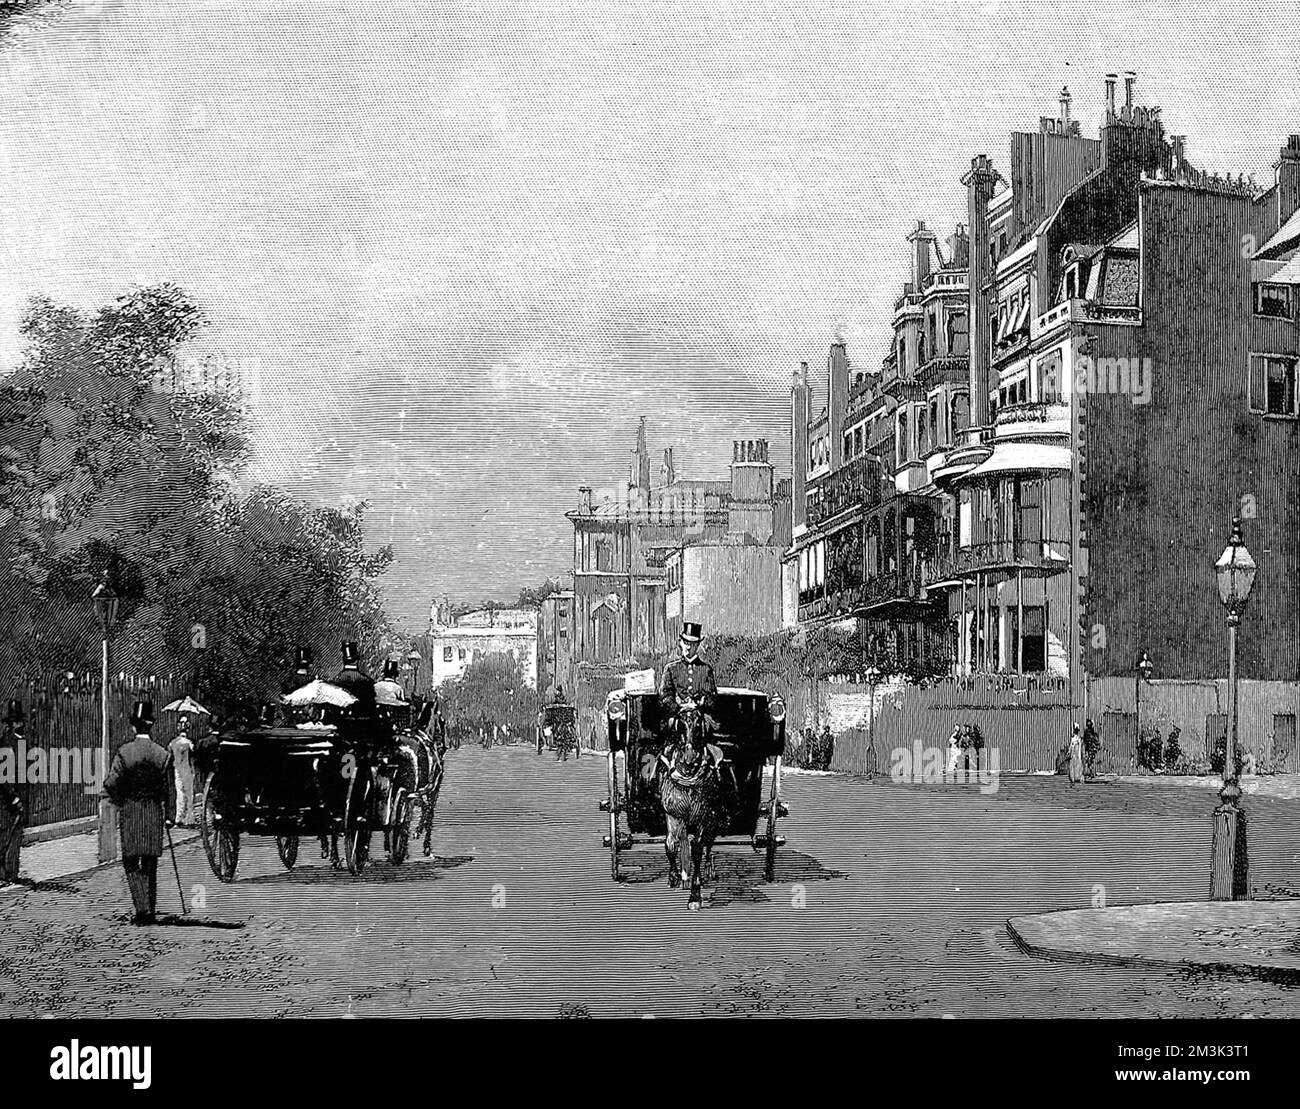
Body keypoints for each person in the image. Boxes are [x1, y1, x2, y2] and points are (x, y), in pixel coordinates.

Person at [102, 701, 175, 925]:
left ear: (134, 727)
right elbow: (169, 789)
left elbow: (113, 784)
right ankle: (149, 909)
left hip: (131, 813)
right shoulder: (162, 755)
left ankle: (142, 909)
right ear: (151, 726)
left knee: (131, 862)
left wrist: (117, 799)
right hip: (153, 812)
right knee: (150, 863)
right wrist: (170, 815)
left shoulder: (125, 753)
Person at [647, 621, 718, 788]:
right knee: (662, 739)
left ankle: (714, 769)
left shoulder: (706, 669)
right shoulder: (671, 669)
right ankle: (654, 776)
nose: (689, 647)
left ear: (698, 645)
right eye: (686, 643)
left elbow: (712, 697)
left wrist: (699, 703)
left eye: (693, 644)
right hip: (677, 715)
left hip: (699, 715)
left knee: (706, 730)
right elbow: (664, 697)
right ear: (680, 643)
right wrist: (678, 707)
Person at [0, 700, 26, 884]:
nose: (20, 724)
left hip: (20, 795)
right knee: (6, 835)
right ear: (11, 723)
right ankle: (4, 874)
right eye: (17, 721)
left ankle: (12, 873)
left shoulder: (22, 741)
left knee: (16, 834)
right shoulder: (6, 742)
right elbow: (3, 774)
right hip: (8, 798)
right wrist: (14, 797)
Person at [169, 720, 196, 827]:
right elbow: (193, 756)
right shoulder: (189, 743)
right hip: (187, 769)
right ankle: (189, 818)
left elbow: (170, 754)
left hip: (177, 769)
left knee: (179, 793)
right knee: (189, 794)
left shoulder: (173, 743)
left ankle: (179, 817)